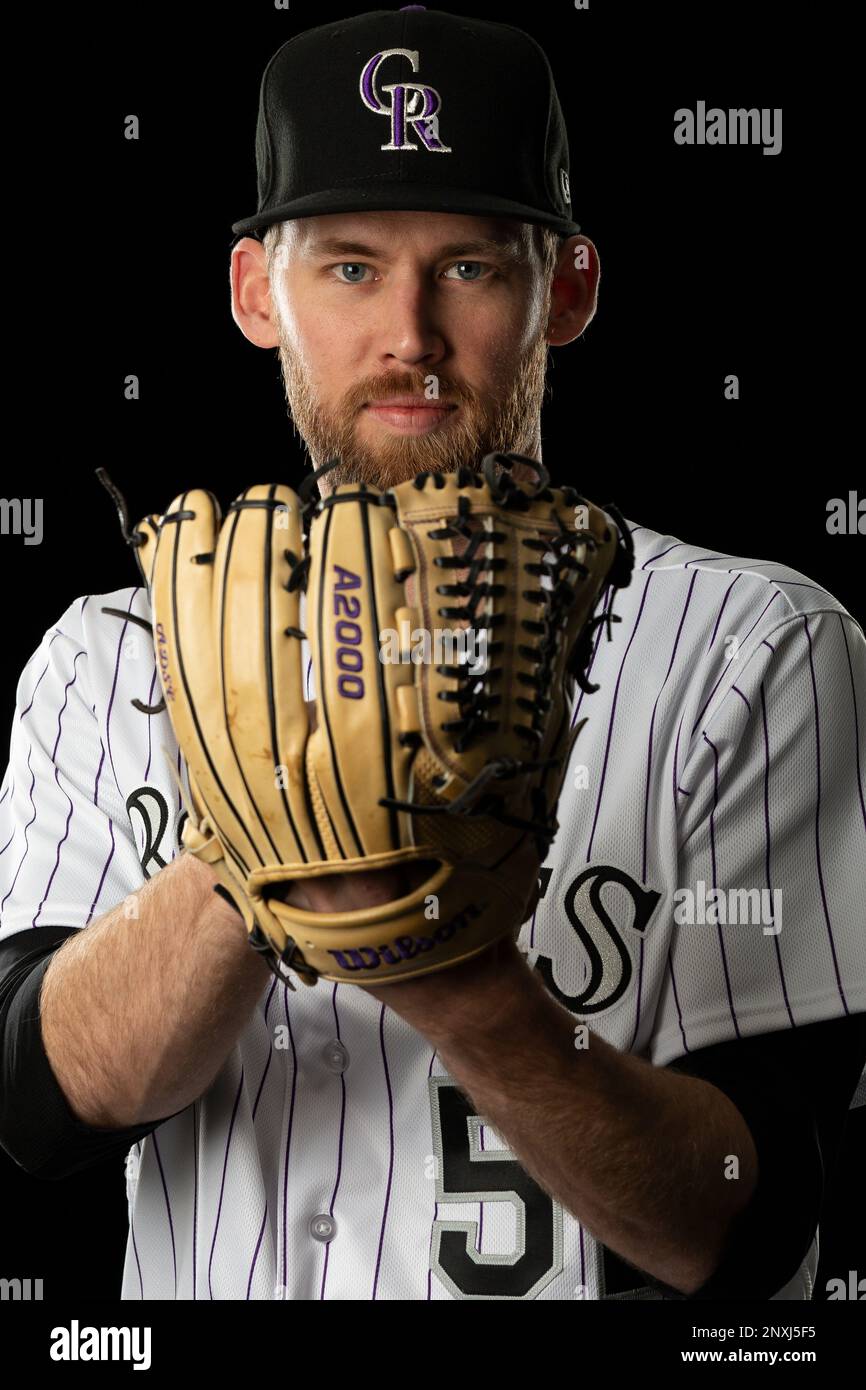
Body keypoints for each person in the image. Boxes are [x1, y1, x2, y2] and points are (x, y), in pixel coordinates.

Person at [1, 8, 864, 1302]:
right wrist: (249, 849)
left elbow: (756, 1220)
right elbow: (36, 1104)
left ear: (566, 287)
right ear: (255, 293)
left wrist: (462, 984)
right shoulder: (108, 657)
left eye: (466, 264)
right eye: (349, 266)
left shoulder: (752, 650)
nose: (408, 331)